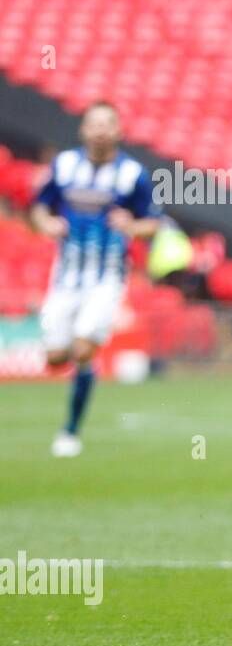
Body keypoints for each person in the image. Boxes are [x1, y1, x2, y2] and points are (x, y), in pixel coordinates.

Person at [28, 101, 161, 457]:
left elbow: (153, 224)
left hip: (107, 279)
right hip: (66, 277)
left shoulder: (132, 174)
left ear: (118, 131)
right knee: (57, 357)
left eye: (108, 124)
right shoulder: (65, 166)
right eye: (94, 123)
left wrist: (131, 226)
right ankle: (83, 368)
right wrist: (47, 223)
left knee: (84, 348)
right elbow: (39, 207)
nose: (101, 130)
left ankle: (70, 431)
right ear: (83, 130)